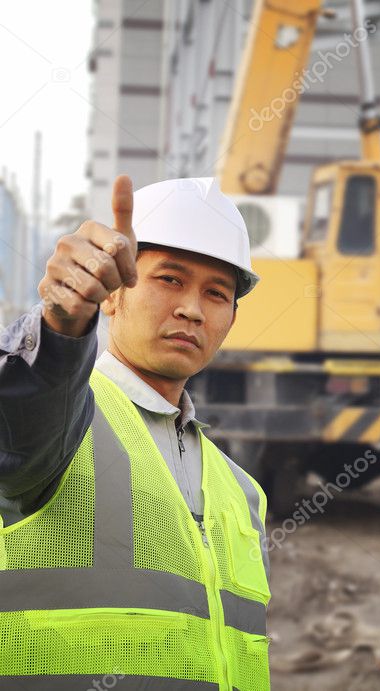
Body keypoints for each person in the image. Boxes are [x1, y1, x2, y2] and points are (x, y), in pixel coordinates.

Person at [0, 175, 272, 689]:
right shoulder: (62, 427)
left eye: (217, 294)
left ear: (231, 320)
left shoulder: (242, 492)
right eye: (169, 279)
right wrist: (59, 326)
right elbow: (24, 408)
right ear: (111, 296)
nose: (192, 308)